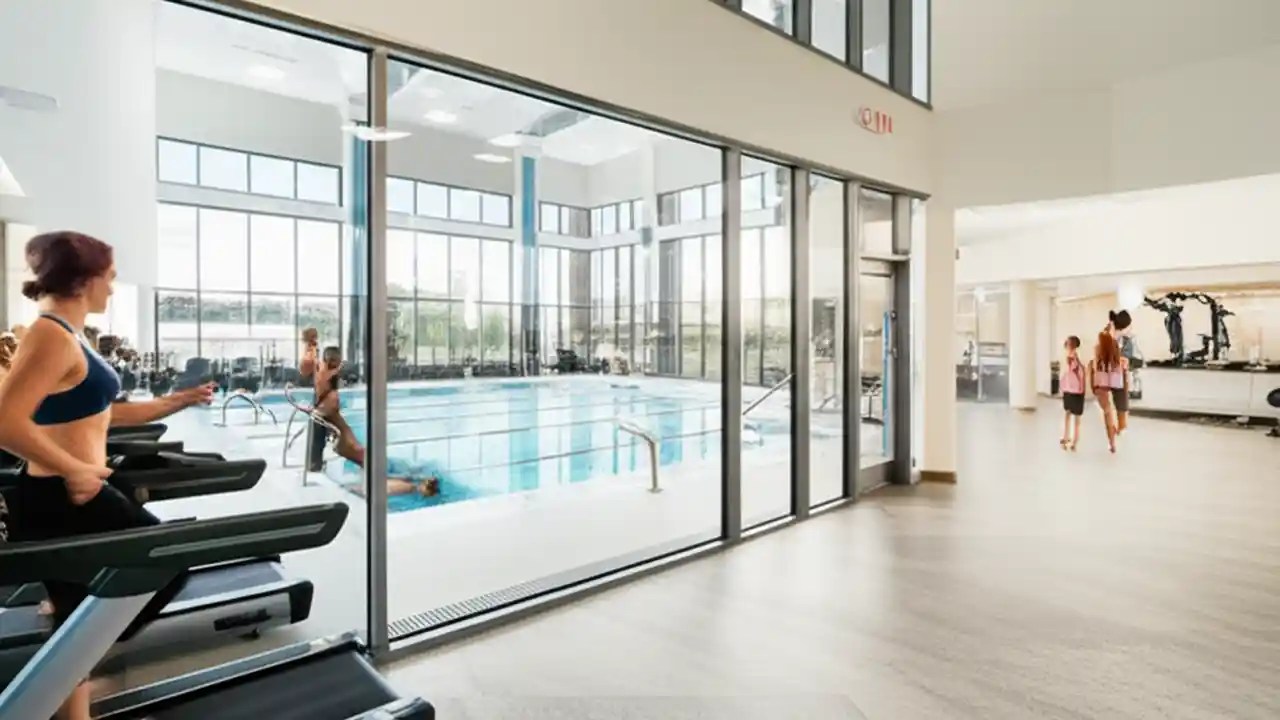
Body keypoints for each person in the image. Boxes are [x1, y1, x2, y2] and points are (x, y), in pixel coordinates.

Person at [0, 231, 215, 720]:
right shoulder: (50, 335)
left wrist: (175, 402)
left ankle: (68, 673)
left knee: (77, 622)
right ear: (84, 279)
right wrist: (74, 469)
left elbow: (103, 414)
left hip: (78, 488)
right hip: (65, 494)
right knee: (167, 563)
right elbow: (4, 422)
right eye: (110, 278)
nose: (113, 289)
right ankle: (69, 658)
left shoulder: (68, 336)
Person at [311, 345, 438, 498]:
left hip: (343, 438)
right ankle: (418, 485)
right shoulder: (327, 386)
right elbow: (334, 418)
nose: (338, 367)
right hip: (345, 441)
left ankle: (416, 480)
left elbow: (334, 421)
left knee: (377, 467)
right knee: (376, 470)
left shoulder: (325, 387)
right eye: (336, 363)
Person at [1087, 331, 1123, 454]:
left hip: (1100, 382)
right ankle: (1113, 428)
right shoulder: (1114, 347)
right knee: (1109, 410)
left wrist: (1092, 384)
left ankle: (1112, 442)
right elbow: (1119, 362)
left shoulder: (1098, 348)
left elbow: (1094, 368)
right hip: (1113, 380)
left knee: (1106, 411)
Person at [1106, 310, 1133, 434]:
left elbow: (1126, 357)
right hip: (1111, 372)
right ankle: (1118, 426)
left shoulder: (1123, 338)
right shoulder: (1109, 334)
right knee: (1118, 400)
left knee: (1118, 400)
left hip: (1115, 372)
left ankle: (1119, 426)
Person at [1058, 335, 1085, 451]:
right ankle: (1068, 439)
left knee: (1073, 416)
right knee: (1069, 414)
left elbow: (1078, 372)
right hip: (1070, 389)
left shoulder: (1073, 357)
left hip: (1075, 389)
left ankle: (1072, 440)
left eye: (1068, 343)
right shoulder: (1071, 357)